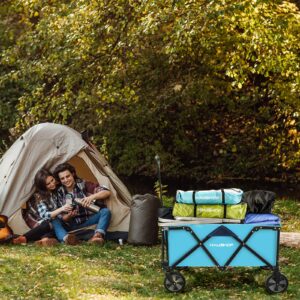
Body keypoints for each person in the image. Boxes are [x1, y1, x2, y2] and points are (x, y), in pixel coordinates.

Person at [50, 163, 111, 246]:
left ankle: (97, 236)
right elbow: (62, 218)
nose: (66, 180)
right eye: (62, 178)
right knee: (53, 219)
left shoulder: (84, 184)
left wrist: (91, 197)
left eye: (68, 176)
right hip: (70, 225)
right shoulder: (59, 192)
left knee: (105, 211)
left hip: (87, 221)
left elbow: (106, 192)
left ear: (73, 174)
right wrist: (69, 216)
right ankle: (67, 239)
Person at [13, 169, 73, 246]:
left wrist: (66, 216)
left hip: (54, 222)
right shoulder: (39, 196)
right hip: (40, 222)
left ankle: (44, 240)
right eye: (48, 184)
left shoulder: (56, 191)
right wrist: (62, 209)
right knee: (50, 224)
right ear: (43, 186)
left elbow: (59, 213)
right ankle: (24, 238)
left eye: (52, 180)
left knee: (57, 224)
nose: (52, 184)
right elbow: (45, 216)